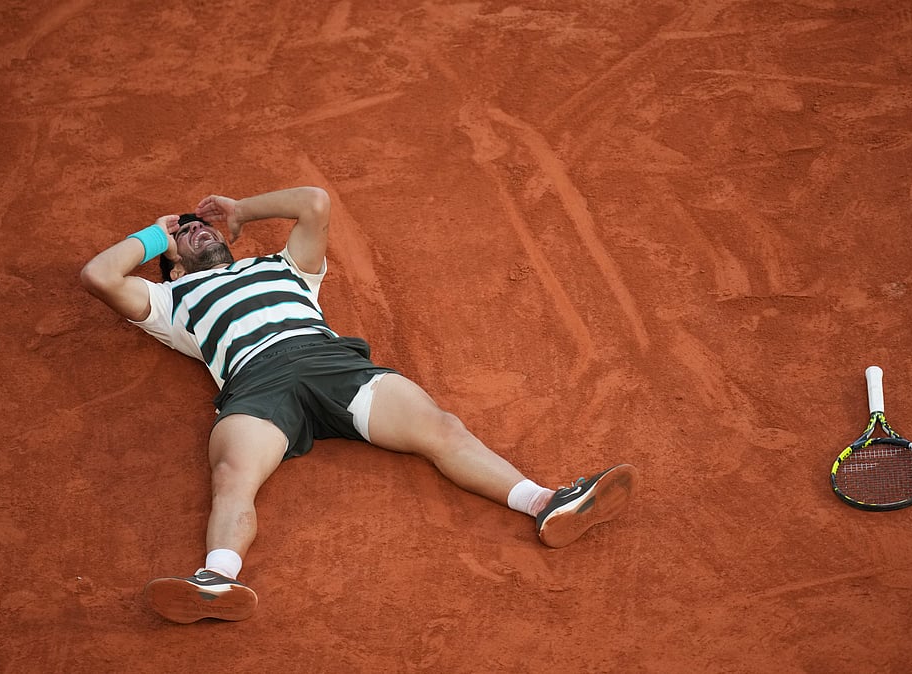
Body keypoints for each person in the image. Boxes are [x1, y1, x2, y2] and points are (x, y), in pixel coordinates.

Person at [80, 186, 637, 624]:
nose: (196, 229)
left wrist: (240, 208)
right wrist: (157, 233)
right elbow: (99, 275)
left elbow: (314, 202)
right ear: (172, 266)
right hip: (257, 384)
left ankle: (545, 505)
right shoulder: (170, 298)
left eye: (199, 224)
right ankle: (217, 581)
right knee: (231, 476)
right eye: (187, 233)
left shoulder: (285, 267)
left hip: (332, 364)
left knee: (440, 428)